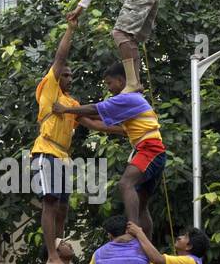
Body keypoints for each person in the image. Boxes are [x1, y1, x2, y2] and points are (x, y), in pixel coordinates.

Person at [55, 66, 166, 230]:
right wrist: (75, 114)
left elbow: (94, 109)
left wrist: (66, 109)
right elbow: (98, 119)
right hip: (150, 149)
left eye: (109, 83)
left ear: (121, 81)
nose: (108, 87)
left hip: (150, 149)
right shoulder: (127, 103)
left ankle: (134, 231)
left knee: (125, 184)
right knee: (141, 206)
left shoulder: (126, 98)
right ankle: (144, 248)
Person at [30, 23, 80, 260]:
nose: (69, 78)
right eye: (65, 74)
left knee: (63, 208)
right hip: (45, 152)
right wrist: (71, 29)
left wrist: (126, 129)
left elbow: (93, 121)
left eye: (71, 75)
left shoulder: (71, 103)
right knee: (50, 202)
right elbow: (61, 57)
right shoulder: (50, 91)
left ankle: (59, 247)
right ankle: (52, 254)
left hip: (63, 157)